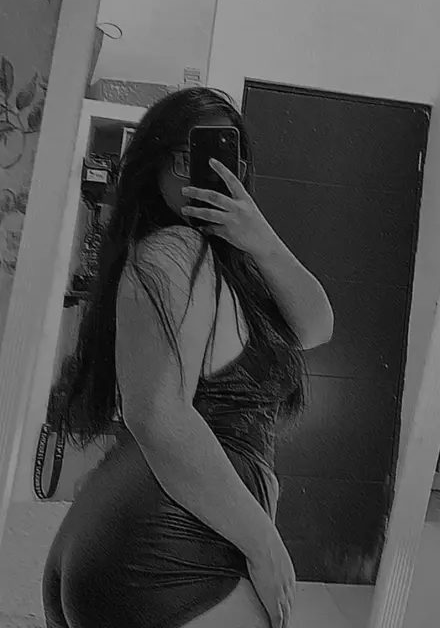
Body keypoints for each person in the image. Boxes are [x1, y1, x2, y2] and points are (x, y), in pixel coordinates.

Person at [42, 87, 334, 628]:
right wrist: (265, 545)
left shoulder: (228, 264)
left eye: (227, 159)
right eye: (186, 159)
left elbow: (316, 326)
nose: (207, 173)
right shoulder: (175, 252)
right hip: (162, 560)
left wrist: (260, 238)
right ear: (152, 166)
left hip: (145, 545)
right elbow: (157, 415)